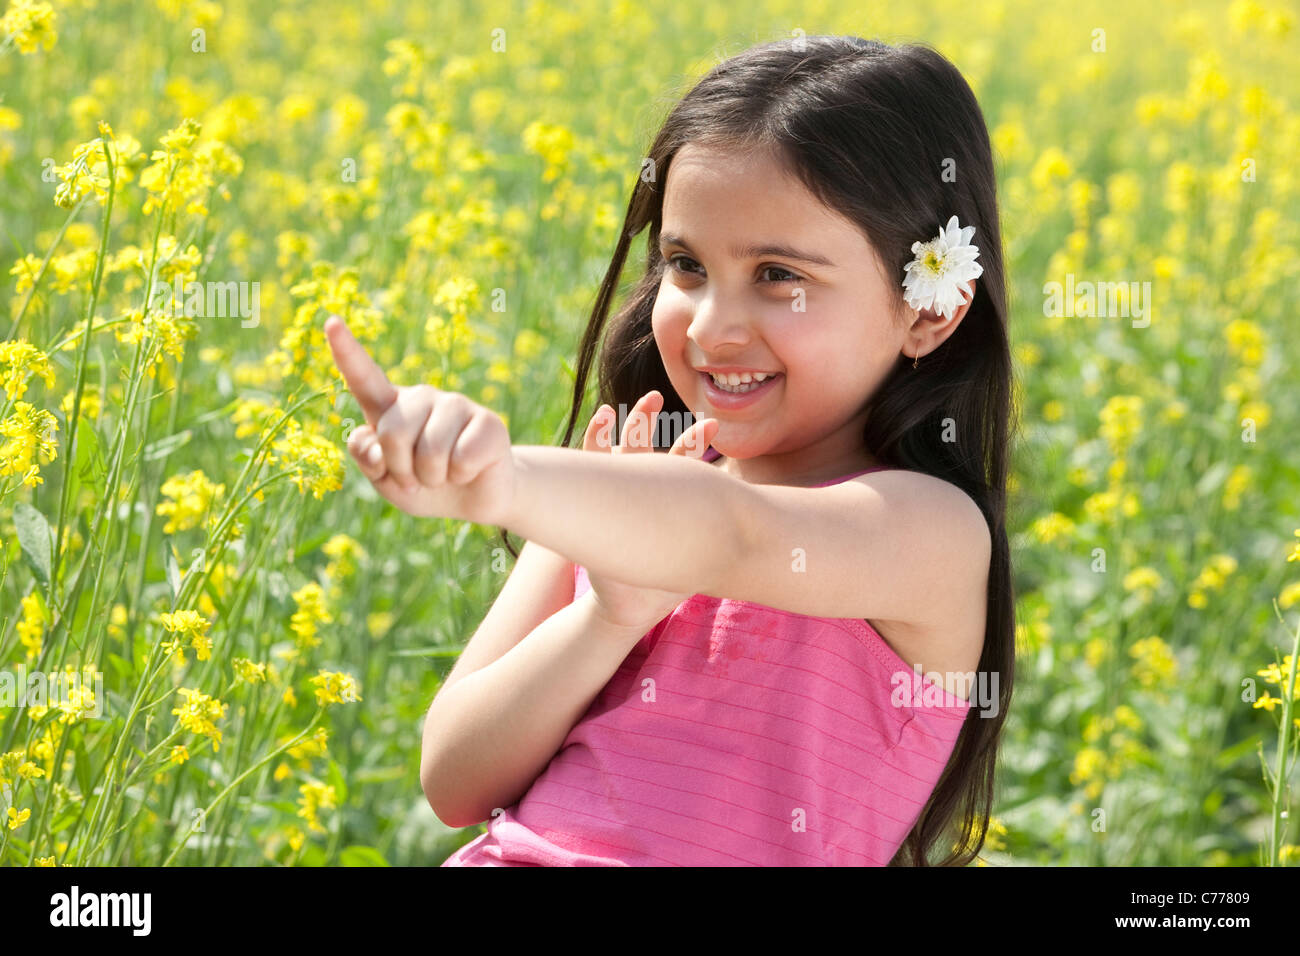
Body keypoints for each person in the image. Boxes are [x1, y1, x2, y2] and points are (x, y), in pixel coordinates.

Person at [329, 34, 1014, 866]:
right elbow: (455, 781)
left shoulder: (927, 531)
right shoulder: (620, 493)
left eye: (777, 275)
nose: (709, 326)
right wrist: (603, 619)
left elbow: (733, 531)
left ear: (929, 311)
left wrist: (503, 479)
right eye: (685, 264)